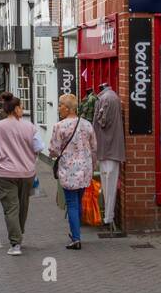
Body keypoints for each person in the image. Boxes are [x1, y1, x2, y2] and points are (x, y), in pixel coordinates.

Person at [0, 93, 45, 255]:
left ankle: (15, 244)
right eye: (21, 107)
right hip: (26, 174)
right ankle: (18, 234)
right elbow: (39, 147)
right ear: (16, 109)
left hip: (4, 174)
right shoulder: (30, 127)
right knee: (22, 206)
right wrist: (31, 160)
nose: (22, 109)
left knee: (11, 208)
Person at [48, 93, 97, 250]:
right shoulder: (87, 125)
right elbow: (94, 147)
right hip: (85, 170)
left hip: (69, 170)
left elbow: (54, 150)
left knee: (72, 204)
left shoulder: (59, 127)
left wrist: (54, 154)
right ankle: (76, 233)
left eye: (60, 105)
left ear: (68, 108)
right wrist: (92, 164)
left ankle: (76, 238)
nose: (58, 108)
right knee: (78, 201)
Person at [93, 80, 124, 226]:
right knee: (108, 184)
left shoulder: (106, 98)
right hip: (109, 148)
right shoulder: (110, 97)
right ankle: (108, 217)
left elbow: (102, 121)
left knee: (109, 184)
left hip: (109, 148)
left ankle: (109, 217)